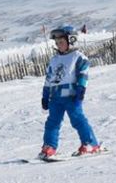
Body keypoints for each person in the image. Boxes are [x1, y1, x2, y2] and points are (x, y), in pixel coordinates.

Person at [39, 25, 102, 159]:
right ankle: (49, 147)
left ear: (71, 40)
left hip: (71, 96)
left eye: (61, 42)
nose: (58, 45)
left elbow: (83, 75)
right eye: (57, 43)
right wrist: (45, 96)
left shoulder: (78, 57)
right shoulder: (54, 60)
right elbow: (49, 79)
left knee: (77, 120)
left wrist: (80, 91)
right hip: (55, 97)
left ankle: (90, 144)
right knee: (52, 123)